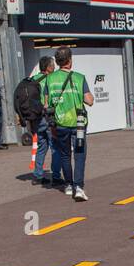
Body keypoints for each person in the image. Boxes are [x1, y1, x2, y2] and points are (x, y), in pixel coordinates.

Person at [41, 47, 94, 201]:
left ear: (57, 62)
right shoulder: (79, 78)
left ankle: (69, 185)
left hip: (60, 123)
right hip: (78, 123)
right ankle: (78, 187)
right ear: (70, 60)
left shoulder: (49, 80)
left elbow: (46, 105)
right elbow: (89, 101)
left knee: (64, 154)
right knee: (79, 154)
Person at [15, 57, 54, 183]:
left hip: (34, 118)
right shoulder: (49, 80)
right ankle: (57, 174)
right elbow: (50, 99)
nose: (54, 67)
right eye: (52, 65)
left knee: (41, 145)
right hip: (45, 116)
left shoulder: (32, 79)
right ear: (48, 67)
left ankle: (38, 175)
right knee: (55, 144)